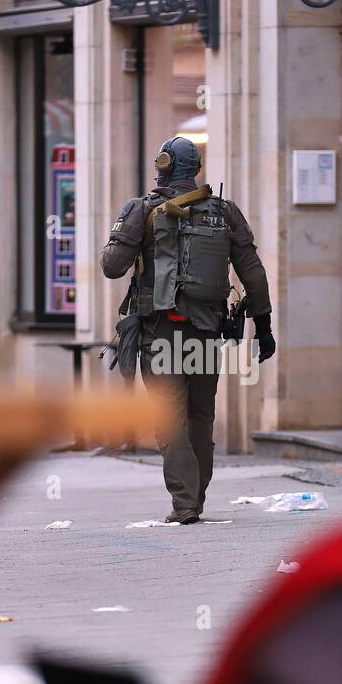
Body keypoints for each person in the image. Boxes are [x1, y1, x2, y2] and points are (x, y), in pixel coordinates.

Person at [102, 136, 274, 524]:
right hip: (207, 332)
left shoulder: (142, 209)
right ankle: (195, 497)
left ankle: (185, 503)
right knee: (200, 415)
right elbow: (254, 274)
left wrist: (122, 232)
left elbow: (112, 266)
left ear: (161, 166)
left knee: (170, 418)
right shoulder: (225, 212)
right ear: (195, 169)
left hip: (161, 332)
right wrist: (262, 326)